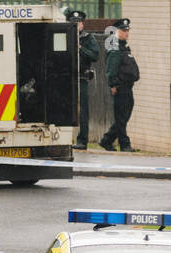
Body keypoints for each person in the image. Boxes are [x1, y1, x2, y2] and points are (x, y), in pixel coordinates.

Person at [99, 18, 138, 152]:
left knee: (124, 116)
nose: (126, 33)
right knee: (121, 117)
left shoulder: (123, 46)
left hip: (128, 87)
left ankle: (107, 140)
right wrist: (113, 85)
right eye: (124, 30)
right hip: (120, 87)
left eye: (127, 30)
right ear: (117, 31)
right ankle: (124, 144)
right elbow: (111, 69)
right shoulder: (115, 47)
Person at [69, 10, 100, 149]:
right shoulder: (64, 36)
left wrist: (81, 49)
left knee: (83, 112)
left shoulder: (88, 38)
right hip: (67, 79)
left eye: (78, 23)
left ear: (82, 24)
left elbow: (95, 56)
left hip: (81, 78)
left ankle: (82, 141)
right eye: (73, 23)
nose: (76, 25)